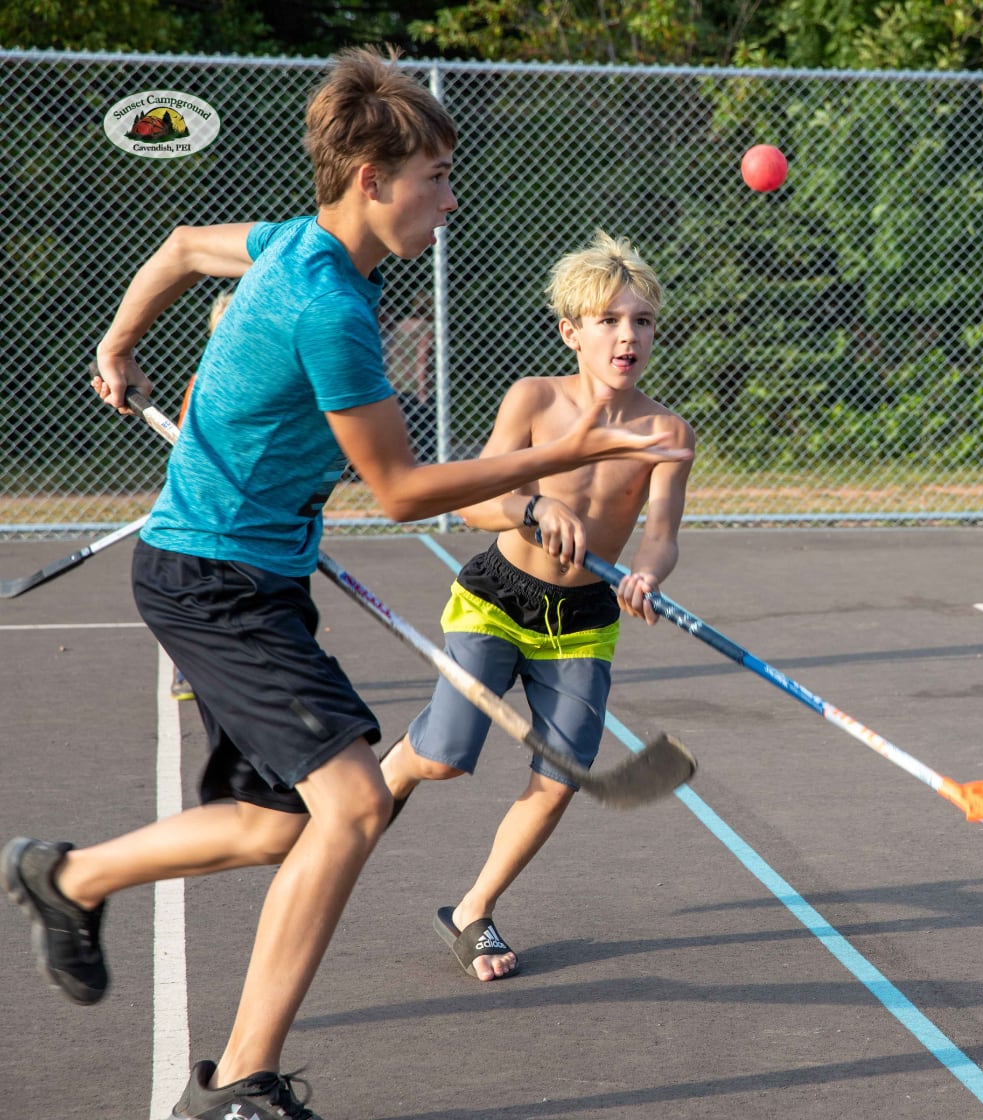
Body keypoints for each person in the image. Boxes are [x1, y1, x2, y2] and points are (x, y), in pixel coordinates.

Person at [2, 47, 688, 1120]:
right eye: (436, 180)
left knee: (286, 826)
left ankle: (69, 877)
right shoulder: (331, 305)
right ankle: (238, 1085)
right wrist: (564, 454)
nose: (449, 204)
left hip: (254, 574)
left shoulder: (290, 244)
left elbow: (184, 247)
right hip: (212, 576)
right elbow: (406, 490)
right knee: (357, 803)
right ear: (372, 179)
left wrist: (120, 339)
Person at [379, 230, 693, 981]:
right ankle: (378, 781)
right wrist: (529, 510)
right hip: (497, 600)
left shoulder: (667, 433)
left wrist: (646, 576)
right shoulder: (534, 398)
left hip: (582, 623)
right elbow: (476, 503)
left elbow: (662, 537)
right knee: (445, 759)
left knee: (560, 779)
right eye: (611, 320)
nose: (628, 335)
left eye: (642, 321)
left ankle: (472, 911)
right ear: (571, 331)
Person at [170, 288, 235, 703]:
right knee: (198, 582)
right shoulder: (207, 379)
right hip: (206, 502)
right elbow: (186, 441)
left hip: (246, 508)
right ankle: (186, 667)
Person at [385, 290, 436, 461]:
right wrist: (422, 389)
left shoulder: (400, 325)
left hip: (395, 382)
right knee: (426, 427)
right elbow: (422, 358)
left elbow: (390, 352)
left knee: (400, 427)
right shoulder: (425, 328)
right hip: (414, 385)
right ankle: (427, 462)